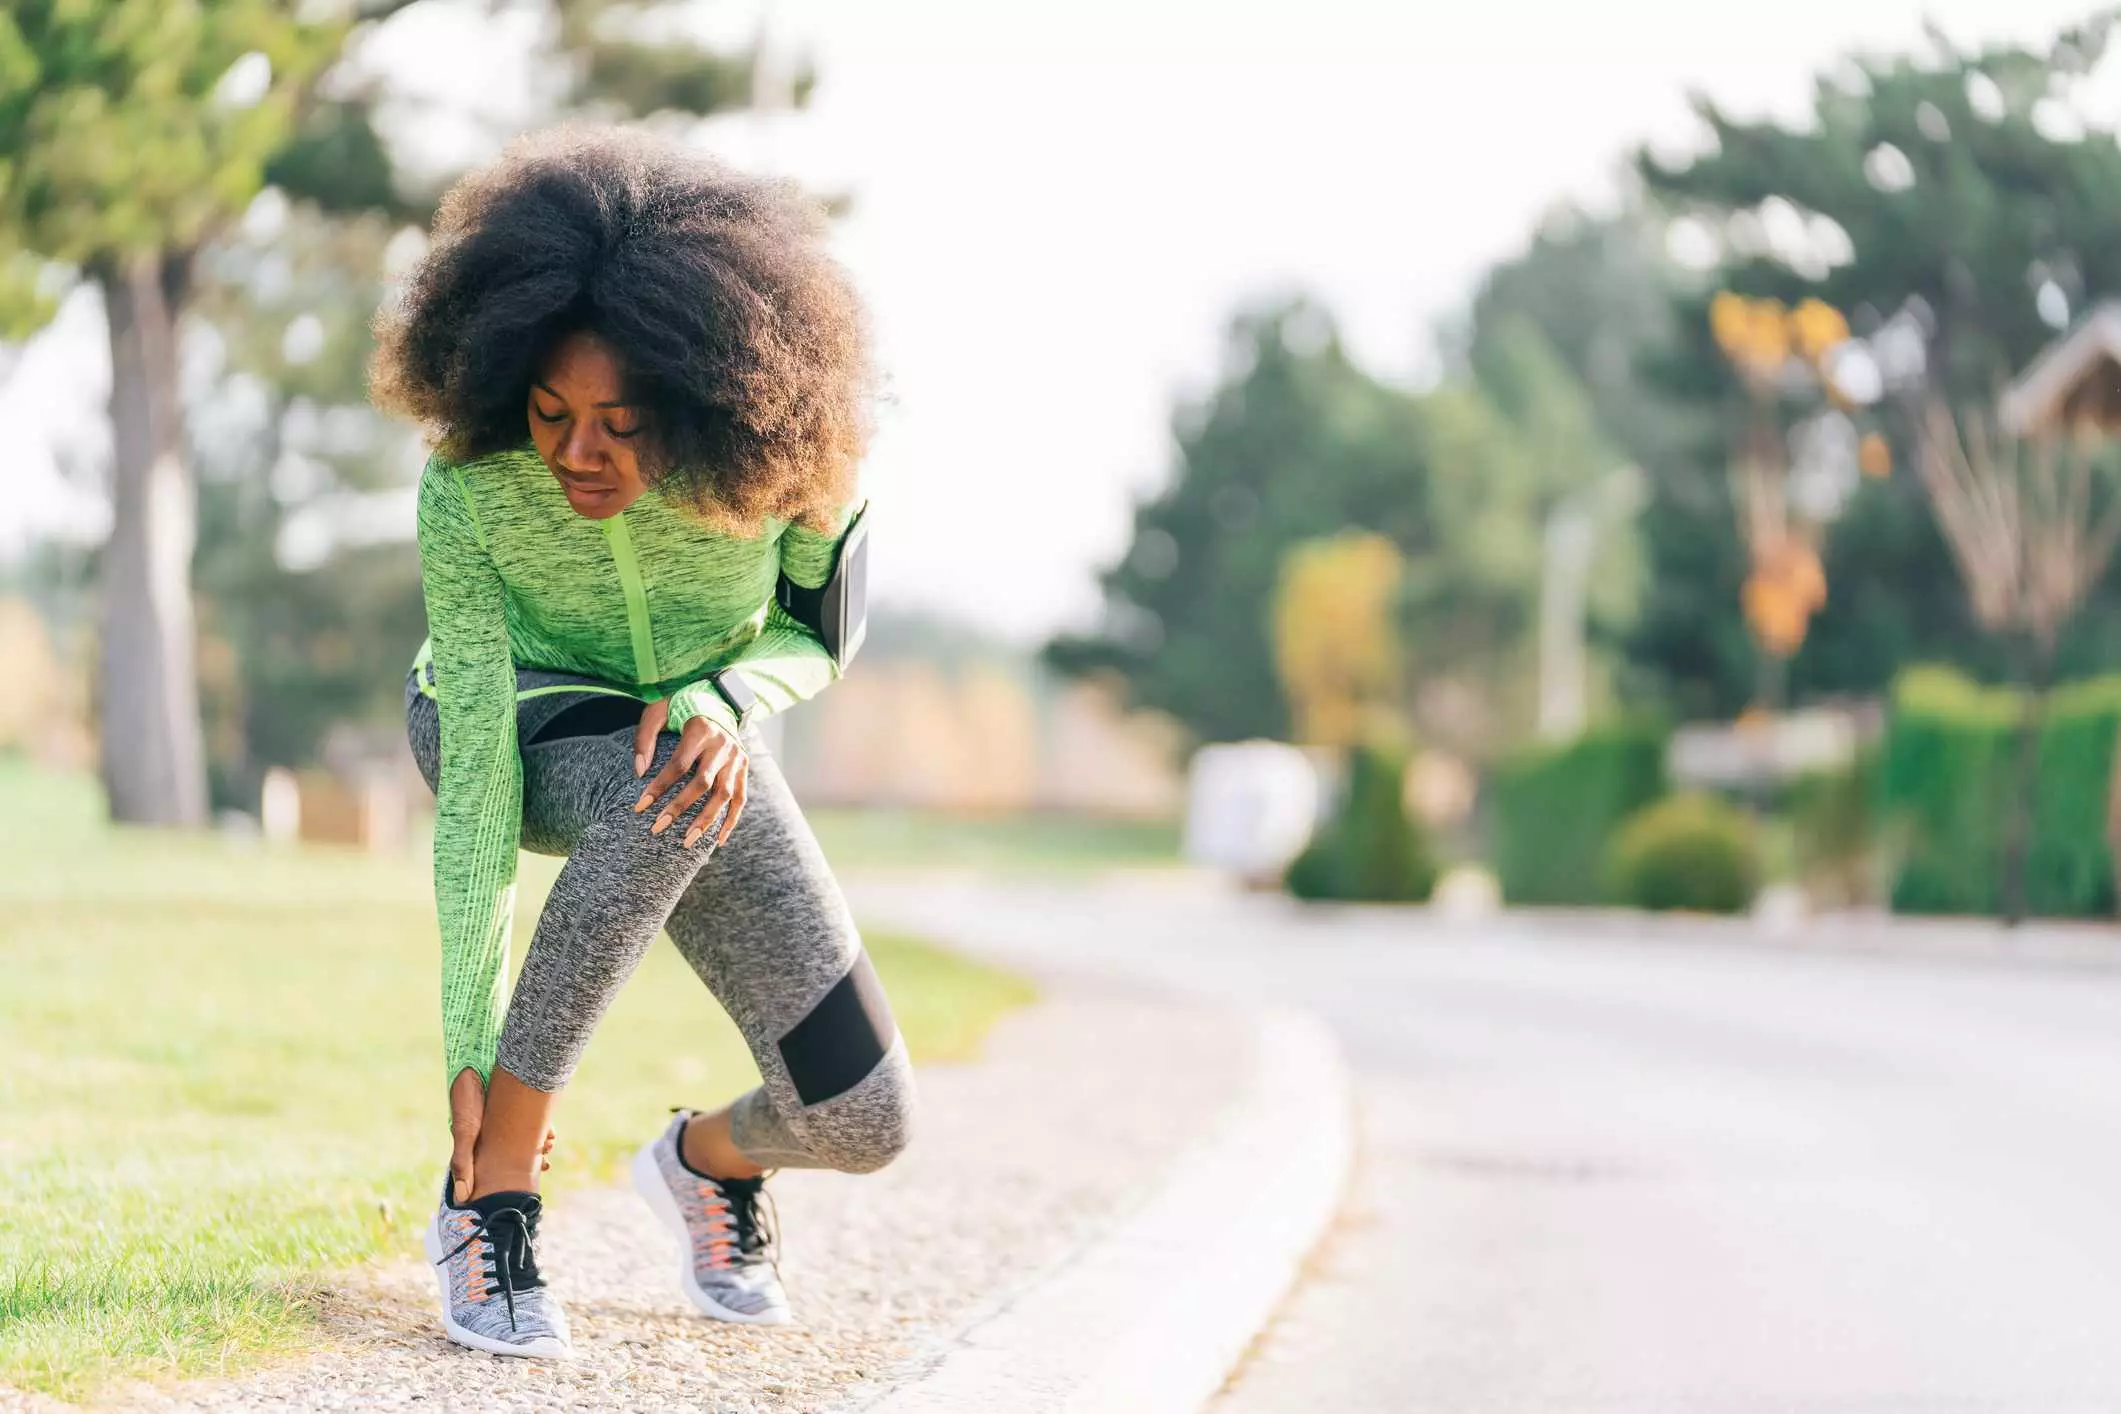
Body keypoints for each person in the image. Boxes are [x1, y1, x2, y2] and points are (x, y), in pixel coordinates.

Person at [371, 126, 911, 1361]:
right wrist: (469, 1046)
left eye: (619, 423)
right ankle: (490, 1192)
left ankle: (704, 1163)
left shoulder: (796, 468)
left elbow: (816, 635)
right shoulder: (471, 485)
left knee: (865, 1116)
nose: (575, 454)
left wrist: (730, 699)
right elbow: (477, 796)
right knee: (658, 774)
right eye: (551, 413)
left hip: (698, 733)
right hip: (494, 718)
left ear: (702, 395)